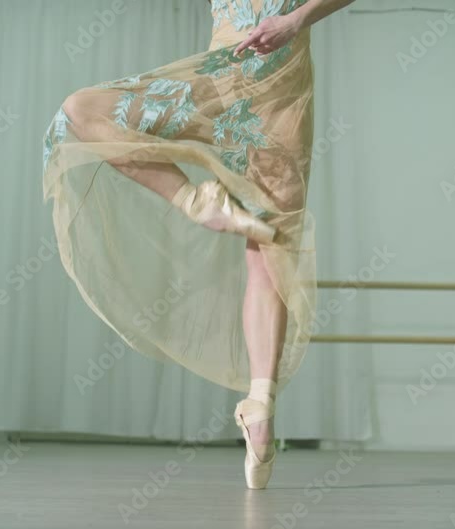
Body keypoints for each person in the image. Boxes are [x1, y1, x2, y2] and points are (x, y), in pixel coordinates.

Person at [42, 0, 355, 489]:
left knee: (267, 247)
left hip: (278, 99)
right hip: (218, 85)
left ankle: (260, 409)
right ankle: (193, 200)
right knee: (81, 110)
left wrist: (295, 19)